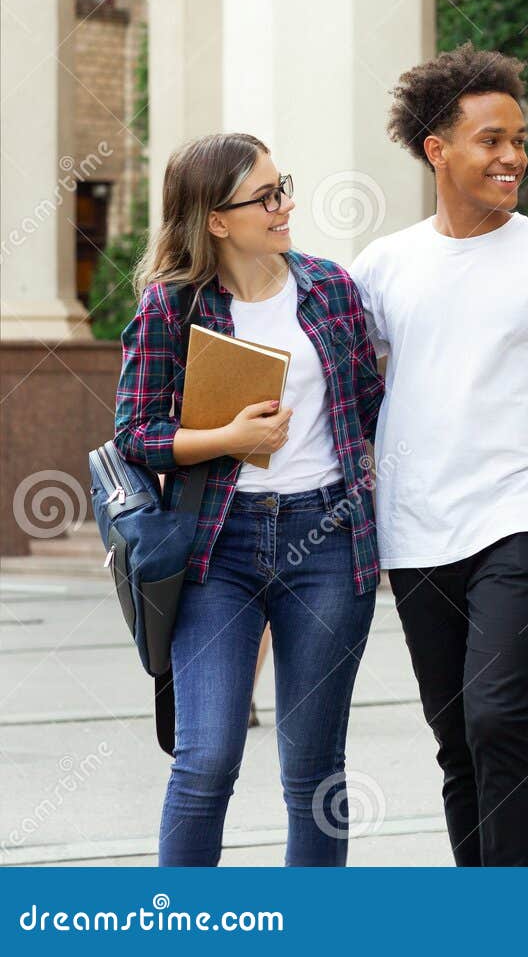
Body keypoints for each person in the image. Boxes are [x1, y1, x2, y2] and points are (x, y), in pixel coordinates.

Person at [351, 45, 528, 867]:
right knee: (454, 740)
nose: (513, 157)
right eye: (491, 140)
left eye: (518, 138)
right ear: (438, 149)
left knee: (496, 716)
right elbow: (348, 398)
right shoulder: (383, 267)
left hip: (518, 518)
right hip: (417, 528)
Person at [114, 133, 385, 866]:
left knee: (312, 771)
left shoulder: (329, 286)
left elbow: (367, 405)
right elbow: (135, 434)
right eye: (266, 196)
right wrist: (224, 434)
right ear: (217, 220)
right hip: (216, 548)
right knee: (205, 759)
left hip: (328, 541)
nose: (285, 203)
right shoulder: (174, 307)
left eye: (282, 185)